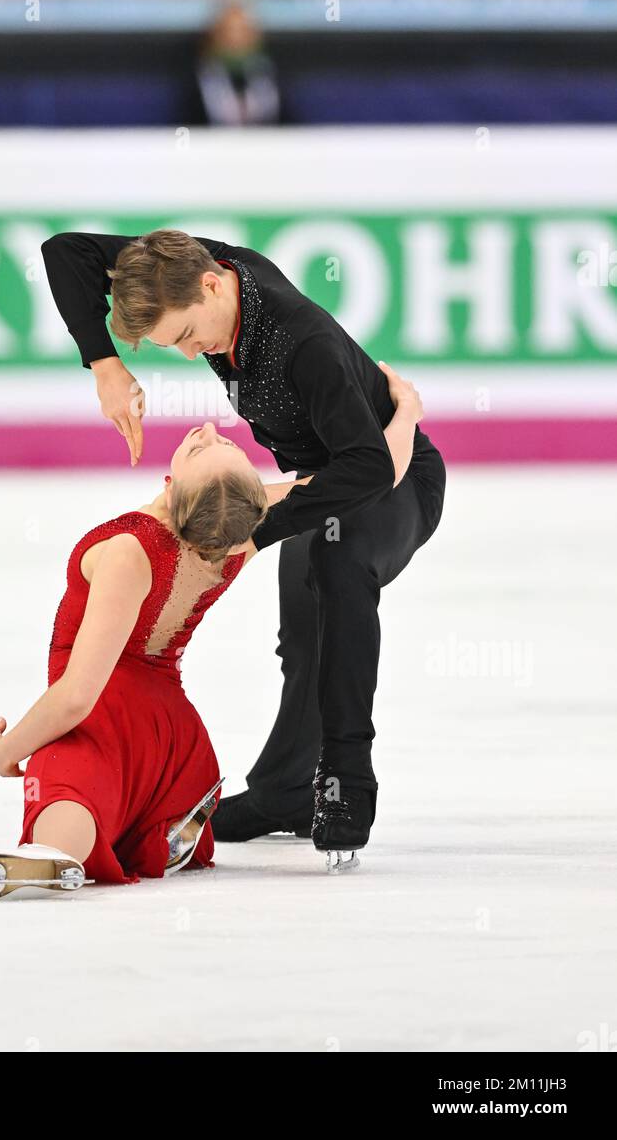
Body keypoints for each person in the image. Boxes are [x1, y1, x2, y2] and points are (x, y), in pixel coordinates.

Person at [39, 228, 445, 865]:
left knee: (337, 574)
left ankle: (346, 784)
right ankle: (286, 791)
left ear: (209, 287)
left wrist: (259, 533)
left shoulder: (300, 340)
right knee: (301, 636)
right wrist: (106, 364)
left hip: (393, 478)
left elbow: (368, 469)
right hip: (313, 484)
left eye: (181, 337)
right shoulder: (194, 267)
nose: (184, 353)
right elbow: (67, 251)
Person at [0, 384, 422, 897]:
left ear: (171, 489)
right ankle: (163, 822)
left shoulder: (131, 551)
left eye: (209, 446)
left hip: (105, 714)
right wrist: (408, 413)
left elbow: (77, 696)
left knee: (67, 778)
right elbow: (373, 475)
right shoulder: (245, 536)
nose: (210, 429)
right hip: (176, 743)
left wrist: (6, 752)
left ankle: (54, 852)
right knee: (108, 784)